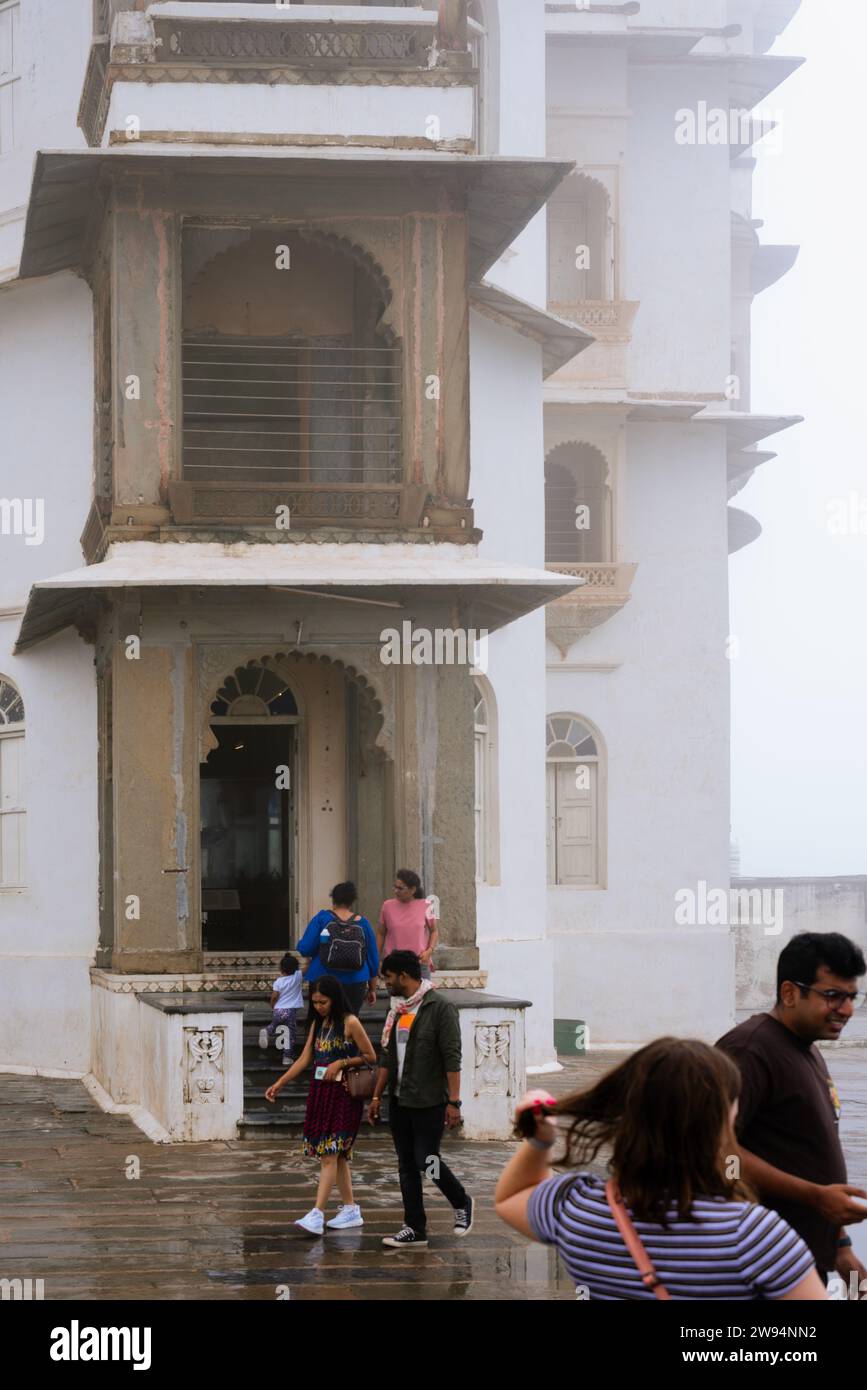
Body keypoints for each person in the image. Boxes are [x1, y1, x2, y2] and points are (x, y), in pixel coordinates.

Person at [495, 1038, 826, 1300]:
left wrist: (541, 1140)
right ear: (722, 1122)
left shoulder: (577, 1209)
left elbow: (510, 1198)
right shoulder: (754, 1236)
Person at [717, 931, 867, 1288]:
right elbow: (719, 1153)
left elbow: (809, 1152)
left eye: (851, 997)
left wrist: (841, 1246)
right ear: (789, 993)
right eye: (832, 996)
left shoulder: (806, 1046)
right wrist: (814, 1196)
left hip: (806, 1259)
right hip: (759, 1264)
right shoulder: (749, 1051)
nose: (845, 1009)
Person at [368, 949, 472, 1247]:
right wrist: (376, 1097)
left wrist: (454, 1102)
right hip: (400, 1100)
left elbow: (452, 1058)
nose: (386, 983)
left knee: (426, 1160)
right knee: (406, 1165)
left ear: (404, 976)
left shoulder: (440, 1008)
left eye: (388, 977)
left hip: (429, 1100)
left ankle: (461, 1200)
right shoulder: (397, 1011)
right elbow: (388, 1058)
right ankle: (415, 1227)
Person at [265, 975, 377, 1236]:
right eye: (314, 1002)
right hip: (321, 1094)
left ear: (334, 999)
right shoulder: (319, 1023)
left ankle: (317, 1213)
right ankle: (350, 1209)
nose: (318, 1006)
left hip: (342, 1096)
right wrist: (280, 1083)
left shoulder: (350, 1022)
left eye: (323, 1002)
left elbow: (370, 1056)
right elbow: (305, 1059)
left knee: (329, 1154)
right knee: (337, 1156)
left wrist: (341, 1063)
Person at [296, 881, 379, 1017]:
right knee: (350, 1021)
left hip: (322, 979)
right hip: (355, 981)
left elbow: (306, 948)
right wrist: (372, 989)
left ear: (333, 898)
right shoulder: (363, 923)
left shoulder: (322, 919)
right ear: (352, 901)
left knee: (321, 1022)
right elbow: (373, 960)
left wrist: (300, 944)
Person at [376, 870, 438, 982]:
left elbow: (434, 931)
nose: (396, 891)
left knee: (421, 999)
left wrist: (429, 951)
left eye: (401, 888)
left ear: (413, 889)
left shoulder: (426, 905)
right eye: (395, 887)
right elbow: (381, 933)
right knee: (396, 999)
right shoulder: (387, 906)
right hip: (393, 965)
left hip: (419, 963)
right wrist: (377, 960)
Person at [258, 952, 303, 1065]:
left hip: (279, 1010)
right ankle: (287, 1057)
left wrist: (273, 1005)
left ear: (281, 969)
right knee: (290, 1034)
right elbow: (307, 968)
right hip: (291, 1011)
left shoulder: (278, 981)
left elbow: (274, 996)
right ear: (296, 967)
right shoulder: (298, 976)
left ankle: (267, 1031)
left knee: (275, 1025)